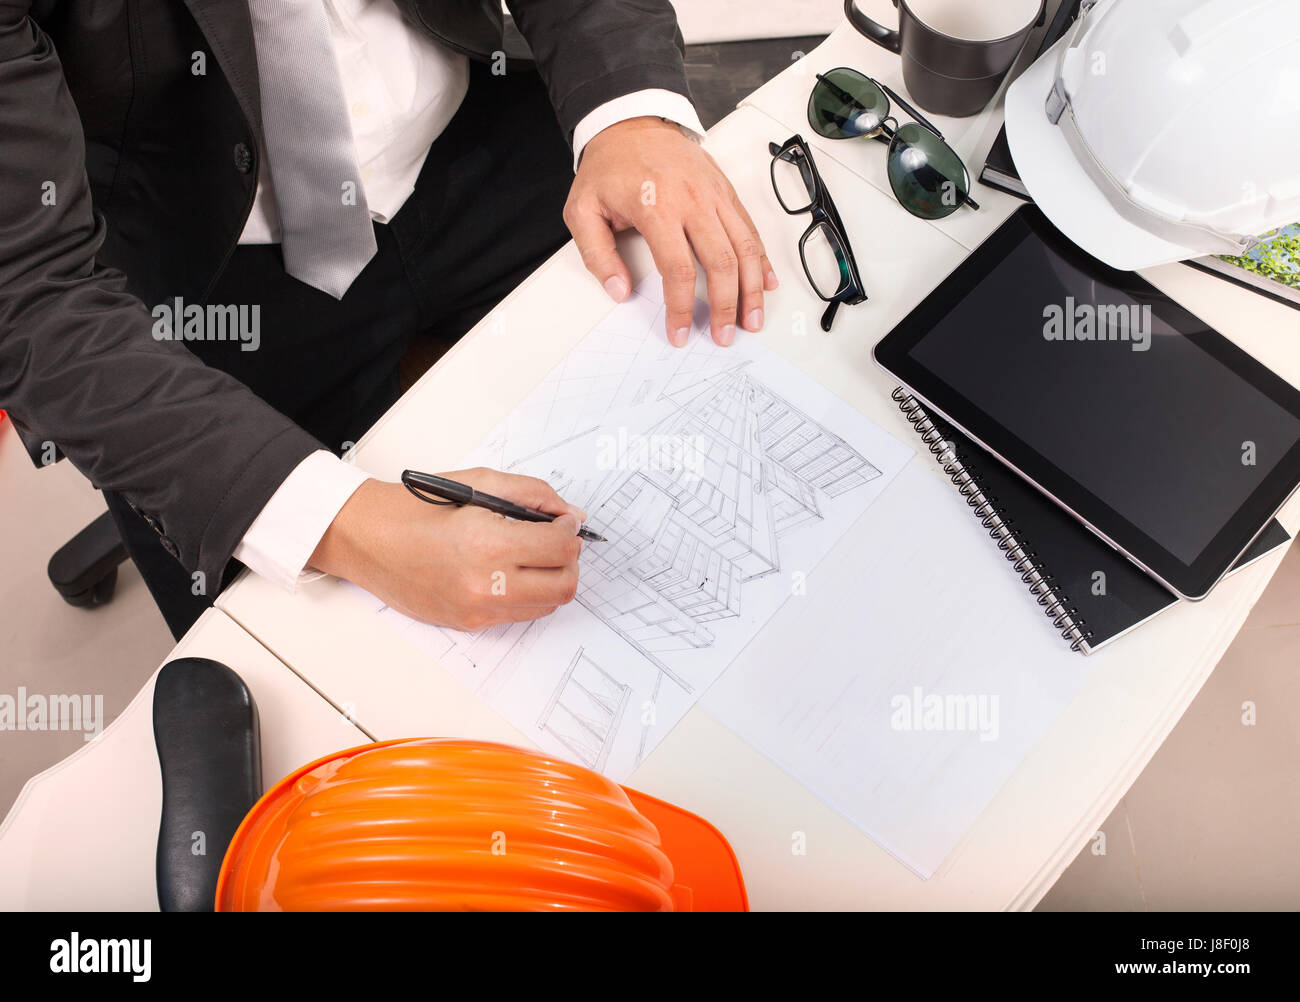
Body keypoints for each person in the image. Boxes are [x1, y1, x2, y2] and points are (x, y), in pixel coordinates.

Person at [0, 0, 778, 639]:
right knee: (324, 680)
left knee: (743, 359)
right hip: (194, 279)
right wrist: (344, 524)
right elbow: (29, 294)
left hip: (472, 135)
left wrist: (627, 116)